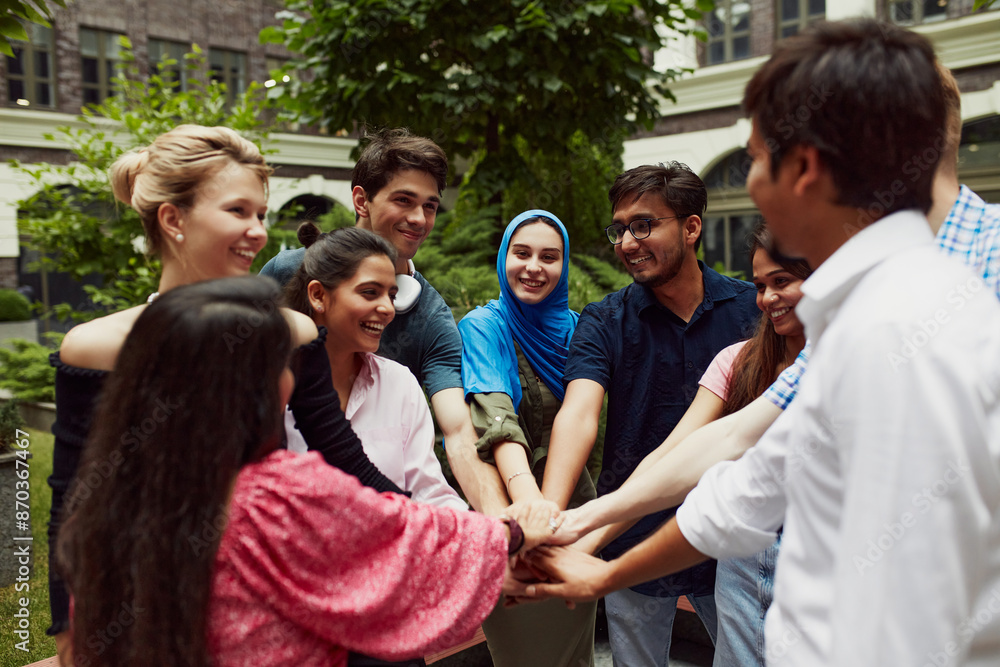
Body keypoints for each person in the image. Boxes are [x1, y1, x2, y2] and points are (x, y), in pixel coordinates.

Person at [528, 19, 1000, 667]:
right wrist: (588, 545)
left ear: (804, 168)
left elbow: (909, 618)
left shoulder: (900, 325)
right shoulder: (859, 312)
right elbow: (748, 479)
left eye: (752, 159)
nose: (747, 183)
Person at [56, 277, 553, 667]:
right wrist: (512, 534)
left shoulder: (114, 502)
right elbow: (402, 536)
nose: (294, 376)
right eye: (280, 362)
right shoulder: (276, 493)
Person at [46, 125, 403, 664]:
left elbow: (344, 458)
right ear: (173, 220)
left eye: (261, 214)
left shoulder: (291, 334)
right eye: (239, 212)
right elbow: (74, 499)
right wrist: (68, 633)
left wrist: (452, 535)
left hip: (278, 594)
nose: (259, 232)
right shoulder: (99, 347)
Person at [553, 221, 809, 667]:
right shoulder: (740, 359)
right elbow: (686, 448)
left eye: (782, 282)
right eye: (761, 286)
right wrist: (577, 529)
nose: (767, 299)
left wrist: (586, 534)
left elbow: (728, 440)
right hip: (739, 561)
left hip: (812, 563)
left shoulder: (848, 359)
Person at [540, 162, 759, 664]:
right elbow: (579, 413)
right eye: (619, 229)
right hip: (631, 534)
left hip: (731, 534)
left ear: (691, 226)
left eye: (644, 224)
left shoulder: (753, 311)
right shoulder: (604, 318)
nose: (627, 242)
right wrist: (550, 516)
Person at [260, 128, 510, 517]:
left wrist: (499, 523)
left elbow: (459, 431)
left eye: (430, 206)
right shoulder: (286, 271)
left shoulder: (430, 317)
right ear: (361, 199)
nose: (419, 218)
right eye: (404, 200)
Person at [458, 210, 598, 666]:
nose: (534, 267)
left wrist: (555, 520)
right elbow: (496, 419)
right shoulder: (483, 327)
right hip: (509, 516)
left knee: (574, 654)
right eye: (521, 253)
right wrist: (531, 519)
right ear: (503, 258)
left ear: (564, 266)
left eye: (549, 256)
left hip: (573, 517)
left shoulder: (580, 331)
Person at [284, 222, 466, 510]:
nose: (388, 308)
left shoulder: (399, 384)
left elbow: (429, 494)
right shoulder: (273, 386)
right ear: (318, 295)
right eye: (370, 292)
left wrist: (491, 535)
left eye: (391, 295)